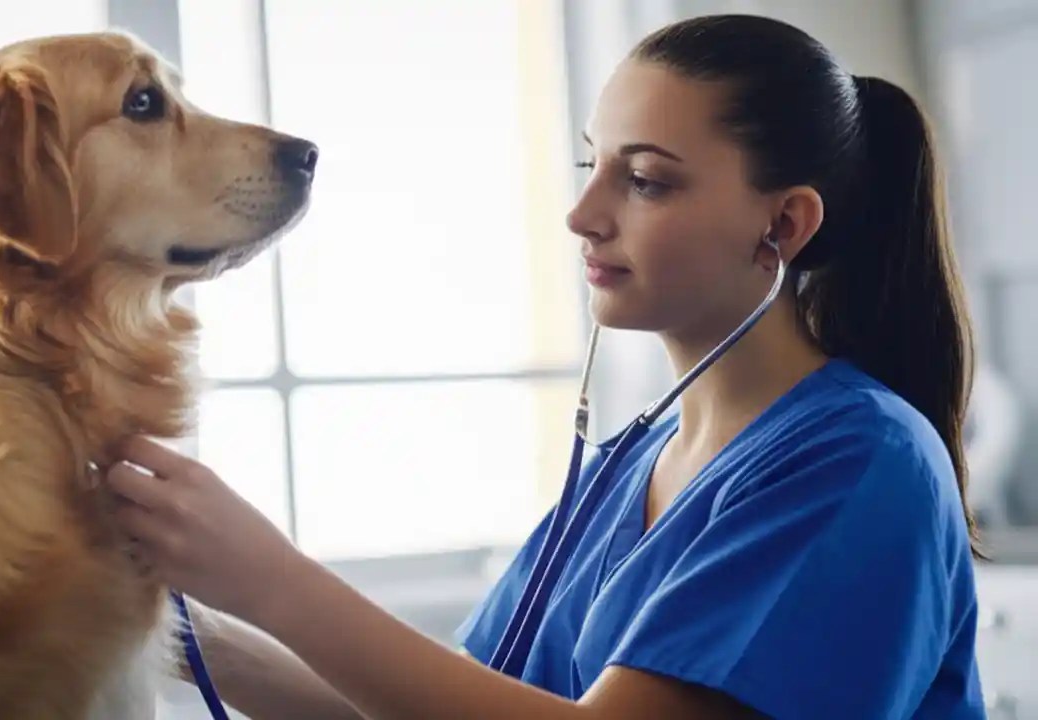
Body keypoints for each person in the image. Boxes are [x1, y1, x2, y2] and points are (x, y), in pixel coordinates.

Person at [106, 14, 985, 720]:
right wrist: (181, 624)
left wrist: (268, 574)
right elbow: (419, 703)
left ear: (785, 226)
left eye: (644, 180)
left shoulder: (861, 462)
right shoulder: (625, 467)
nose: (581, 214)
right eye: (588, 163)